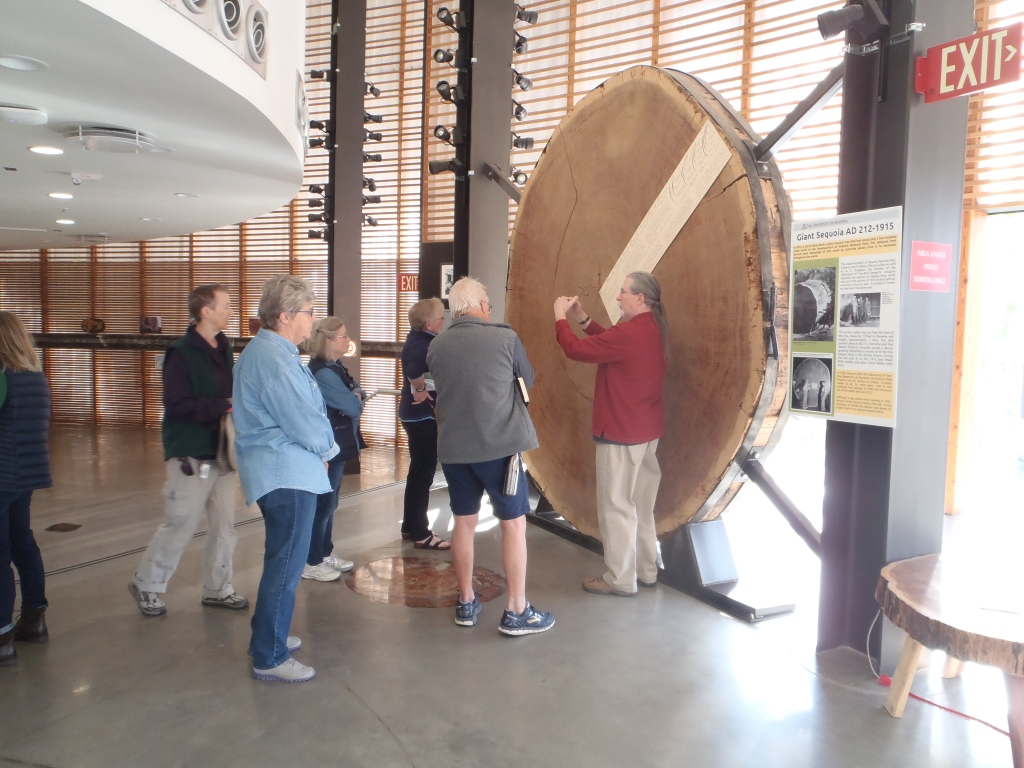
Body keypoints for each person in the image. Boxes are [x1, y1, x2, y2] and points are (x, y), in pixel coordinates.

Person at [427, 277, 554, 636]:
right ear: (482, 306)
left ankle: (466, 600)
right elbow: (527, 381)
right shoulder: (505, 338)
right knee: (513, 525)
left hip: (454, 450)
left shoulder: (436, 346)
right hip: (499, 449)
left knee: (463, 523)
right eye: (488, 303)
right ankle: (517, 609)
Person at [233, 275, 339, 683]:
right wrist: (329, 451)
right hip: (286, 473)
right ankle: (270, 656)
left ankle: (266, 634)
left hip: (284, 470)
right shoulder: (273, 359)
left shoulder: (272, 352)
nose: (313, 321)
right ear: (283, 316)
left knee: (281, 558)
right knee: (287, 564)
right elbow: (304, 422)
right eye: (309, 313)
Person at [129, 284, 248, 617]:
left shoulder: (224, 347)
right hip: (191, 454)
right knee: (179, 522)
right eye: (226, 305)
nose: (232, 310)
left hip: (222, 453)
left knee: (225, 526)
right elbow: (176, 406)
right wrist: (222, 406)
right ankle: (147, 584)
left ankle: (217, 588)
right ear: (205, 311)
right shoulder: (180, 352)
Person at [554, 270, 668, 597]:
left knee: (616, 507)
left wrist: (560, 318)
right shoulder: (653, 327)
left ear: (640, 298)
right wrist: (583, 318)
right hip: (646, 431)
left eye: (622, 291)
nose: (618, 296)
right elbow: (609, 343)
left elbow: (576, 349)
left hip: (620, 431)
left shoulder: (630, 333)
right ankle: (646, 571)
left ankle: (619, 578)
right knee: (641, 505)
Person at [0, 312, 52, 666]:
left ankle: (3, 635)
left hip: (3, 475)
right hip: (26, 474)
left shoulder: (2, 376)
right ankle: (34, 618)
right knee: (23, 543)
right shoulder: (36, 375)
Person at [301, 316, 364, 581]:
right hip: (328, 446)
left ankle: (325, 552)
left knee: (330, 502)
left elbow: (358, 391)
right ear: (328, 340)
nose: (349, 340)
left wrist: (355, 395)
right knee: (323, 503)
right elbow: (353, 405)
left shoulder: (335, 366)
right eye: (344, 336)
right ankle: (312, 560)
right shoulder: (323, 373)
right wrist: (355, 398)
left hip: (338, 443)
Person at [398, 298, 450, 550]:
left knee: (417, 472)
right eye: (441, 318)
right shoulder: (422, 346)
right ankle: (421, 532)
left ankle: (409, 525)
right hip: (421, 417)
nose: (444, 321)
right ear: (429, 323)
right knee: (423, 474)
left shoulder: (418, 339)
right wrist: (420, 388)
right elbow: (414, 370)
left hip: (415, 416)